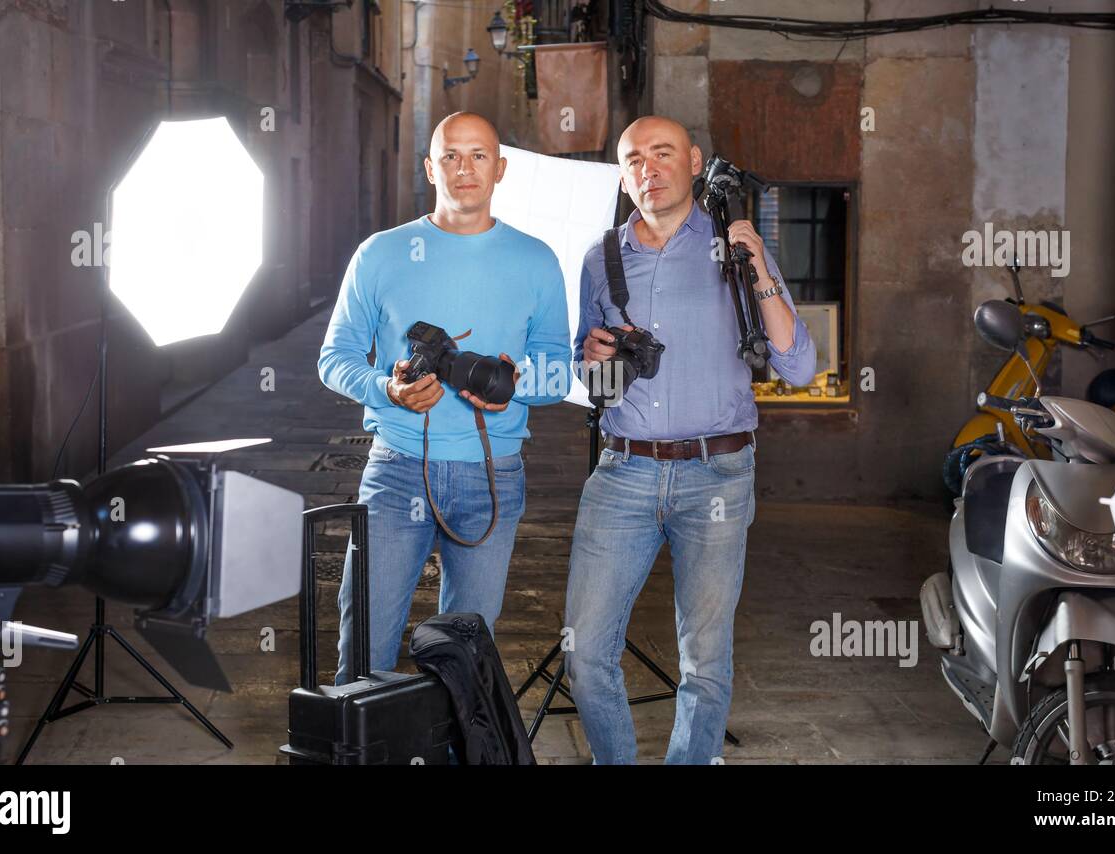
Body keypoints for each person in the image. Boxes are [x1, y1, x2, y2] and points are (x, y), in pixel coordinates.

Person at [564, 115, 817, 763]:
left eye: (663, 153)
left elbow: (799, 366)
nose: (647, 168)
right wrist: (592, 358)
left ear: (695, 162)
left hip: (718, 474)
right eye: (633, 159)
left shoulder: (733, 248)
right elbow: (593, 374)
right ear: (622, 177)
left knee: (704, 659)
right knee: (586, 650)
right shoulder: (602, 257)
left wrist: (756, 260)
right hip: (622, 471)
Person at [318, 112, 571, 682]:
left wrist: (513, 387)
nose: (465, 169)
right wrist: (387, 389)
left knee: (464, 661)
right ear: (431, 168)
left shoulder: (536, 260)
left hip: (493, 474)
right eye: (451, 156)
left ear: (500, 169)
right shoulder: (380, 254)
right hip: (396, 471)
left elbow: (559, 370)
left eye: (479, 155)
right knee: (364, 646)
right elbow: (333, 360)